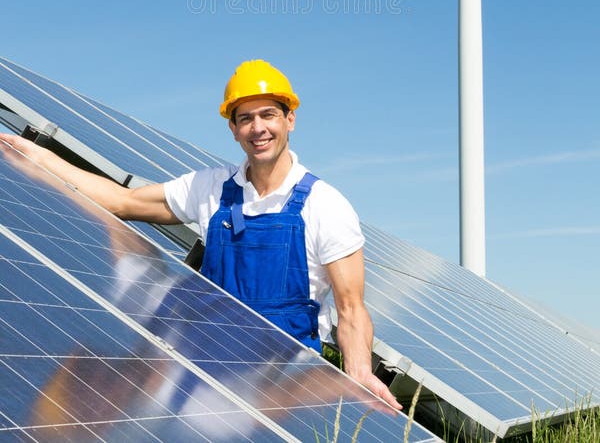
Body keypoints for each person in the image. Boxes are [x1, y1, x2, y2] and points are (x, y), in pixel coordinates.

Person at [0, 59, 400, 411]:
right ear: (233, 128)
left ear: (289, 119)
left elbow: (351, 310)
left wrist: (359, 372)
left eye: (268, 115)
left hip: (277, 386)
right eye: (245, 118)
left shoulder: (326, 206)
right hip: (202, 379)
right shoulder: (210, 188)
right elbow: (123, 203)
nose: (258, 128)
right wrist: (40, 159)